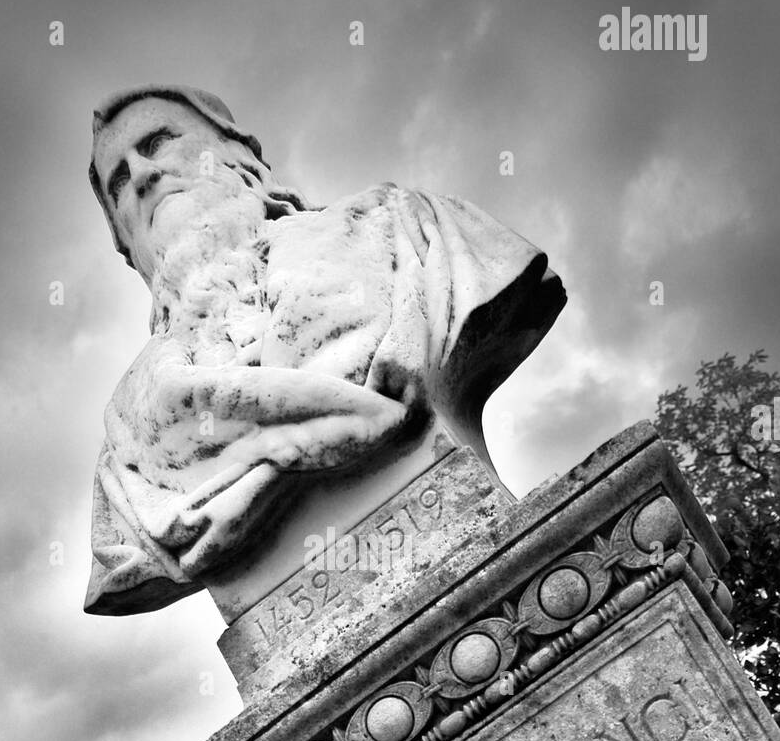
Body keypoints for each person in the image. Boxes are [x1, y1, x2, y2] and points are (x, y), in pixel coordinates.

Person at [85, 85, 565, 616]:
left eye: (158, 143)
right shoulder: (127, 432)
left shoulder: (407, 229)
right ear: (126, 245)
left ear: (238, 154)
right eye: (120, 182)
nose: (145, 177)